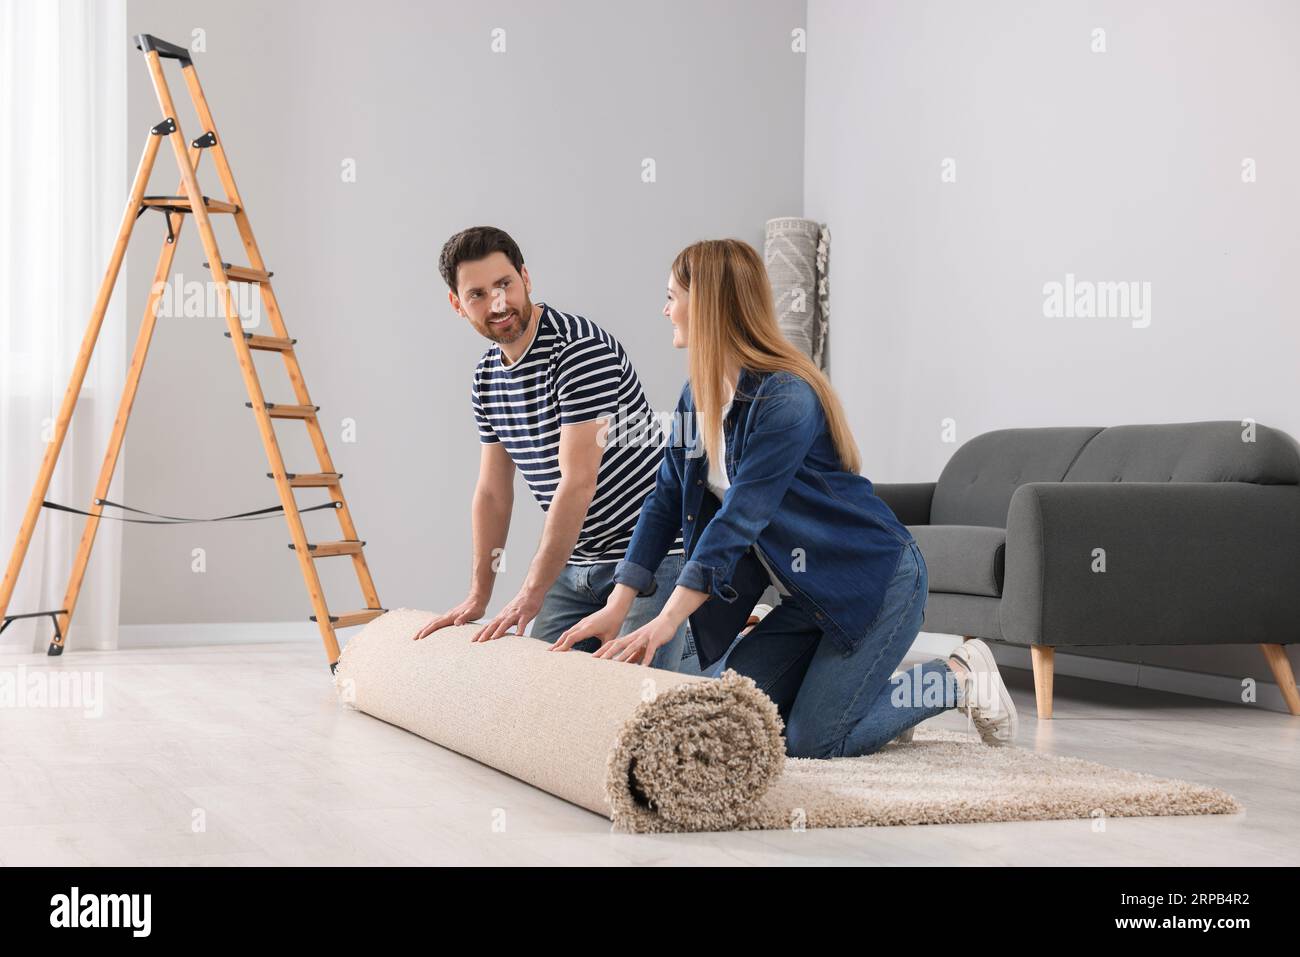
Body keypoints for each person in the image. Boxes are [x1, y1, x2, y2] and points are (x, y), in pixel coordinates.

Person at [549, 239, 1018, 755]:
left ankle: (958, 675)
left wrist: (667, 619)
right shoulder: (695, 398)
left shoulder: (786, 398)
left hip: (874, 583)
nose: (665, 310)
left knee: (814, 741)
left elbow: (738, 519)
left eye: (672, 296)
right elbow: (664, 502)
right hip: (807, 598)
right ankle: (874, 702)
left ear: (707, 304)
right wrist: (618, 605)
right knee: (738, 720)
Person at [411, 226, 692, 671]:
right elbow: (492, 494)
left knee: (629, 694)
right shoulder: (486, 378)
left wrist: (530, 593)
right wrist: (479, 595)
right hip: (576, 563)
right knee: (537, 685)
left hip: (652, 555)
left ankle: (706, 635)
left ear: (526, 277)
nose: (498, 304)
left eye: (505, 285)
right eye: (478, 294)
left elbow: (577, 482)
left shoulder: (578, 351)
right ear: (457, 305)